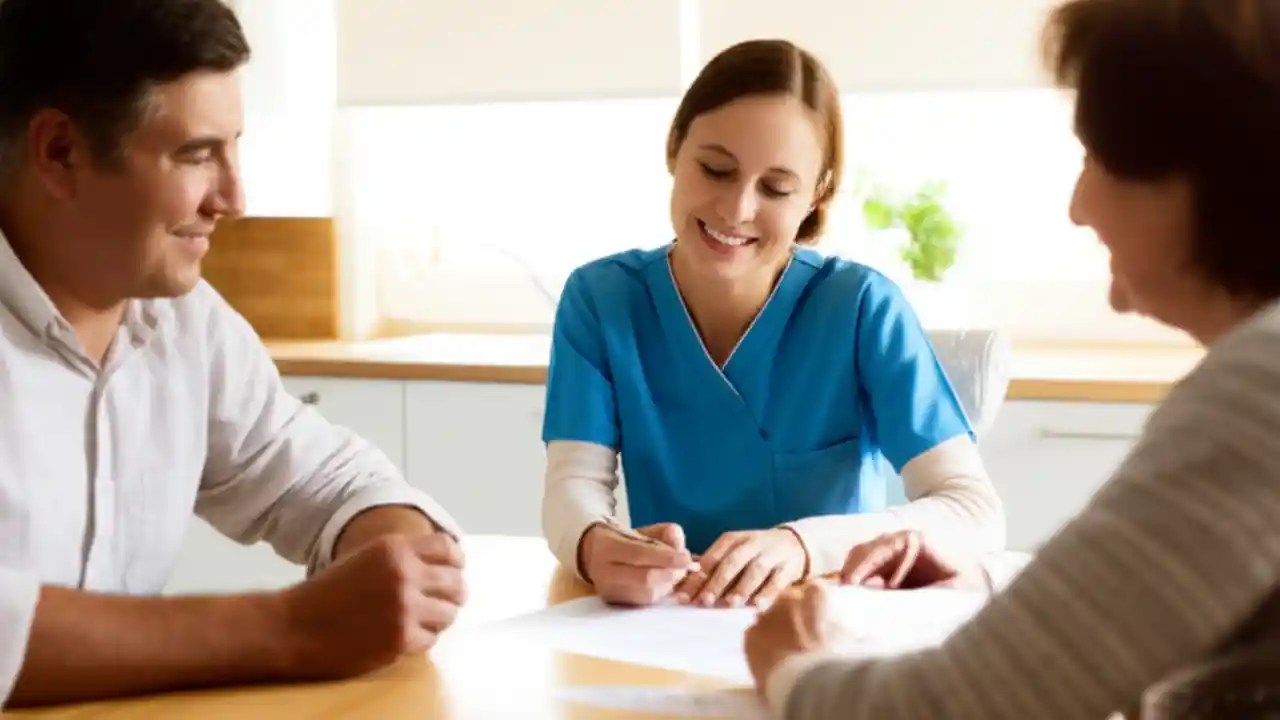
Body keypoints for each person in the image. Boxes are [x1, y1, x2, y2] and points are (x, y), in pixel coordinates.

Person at [745, 0, 1280, 717]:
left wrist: (794, 664)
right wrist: (994, 591)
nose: (1078, 208)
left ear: (1201, 173)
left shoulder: (1259, 391)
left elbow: (949, 708)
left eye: (1095, 158)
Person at [0, 0, 466, 708]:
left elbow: (330, 481)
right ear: (60, 153)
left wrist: (397, 561)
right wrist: (292, 627)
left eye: (234, 147)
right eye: (196, 154)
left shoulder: (185, 325)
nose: (235, 197)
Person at [540, 39, 1005, 610]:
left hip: (829, 631)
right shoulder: (601, 300)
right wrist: (593, 544)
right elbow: (573, 484)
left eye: (776, 188)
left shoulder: (861, 308)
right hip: (667, 624)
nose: (736, 209)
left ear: (817, 194)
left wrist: (803, 545)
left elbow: (973, 510)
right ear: (673, 149)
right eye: (715, 169)